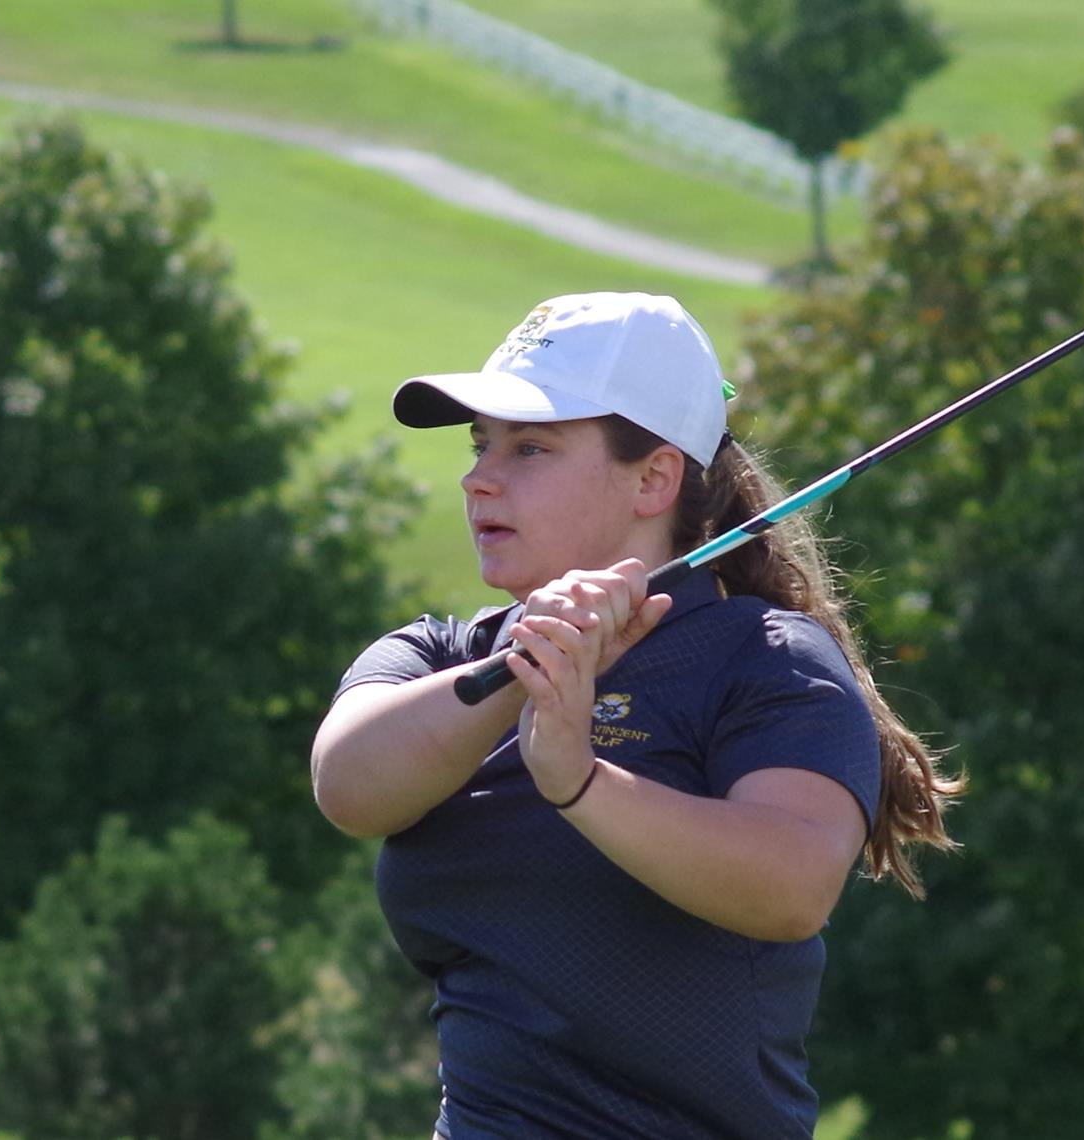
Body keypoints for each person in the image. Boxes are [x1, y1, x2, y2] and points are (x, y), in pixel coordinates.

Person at [311, 291, 961, 1138]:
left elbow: (791, 885)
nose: (479, 477)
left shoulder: (767, 658)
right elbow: (349, 786)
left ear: (654, 478)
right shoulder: (442, 655)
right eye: (481, 446)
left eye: (531, 447)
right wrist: (525, 665)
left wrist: (579, 782)